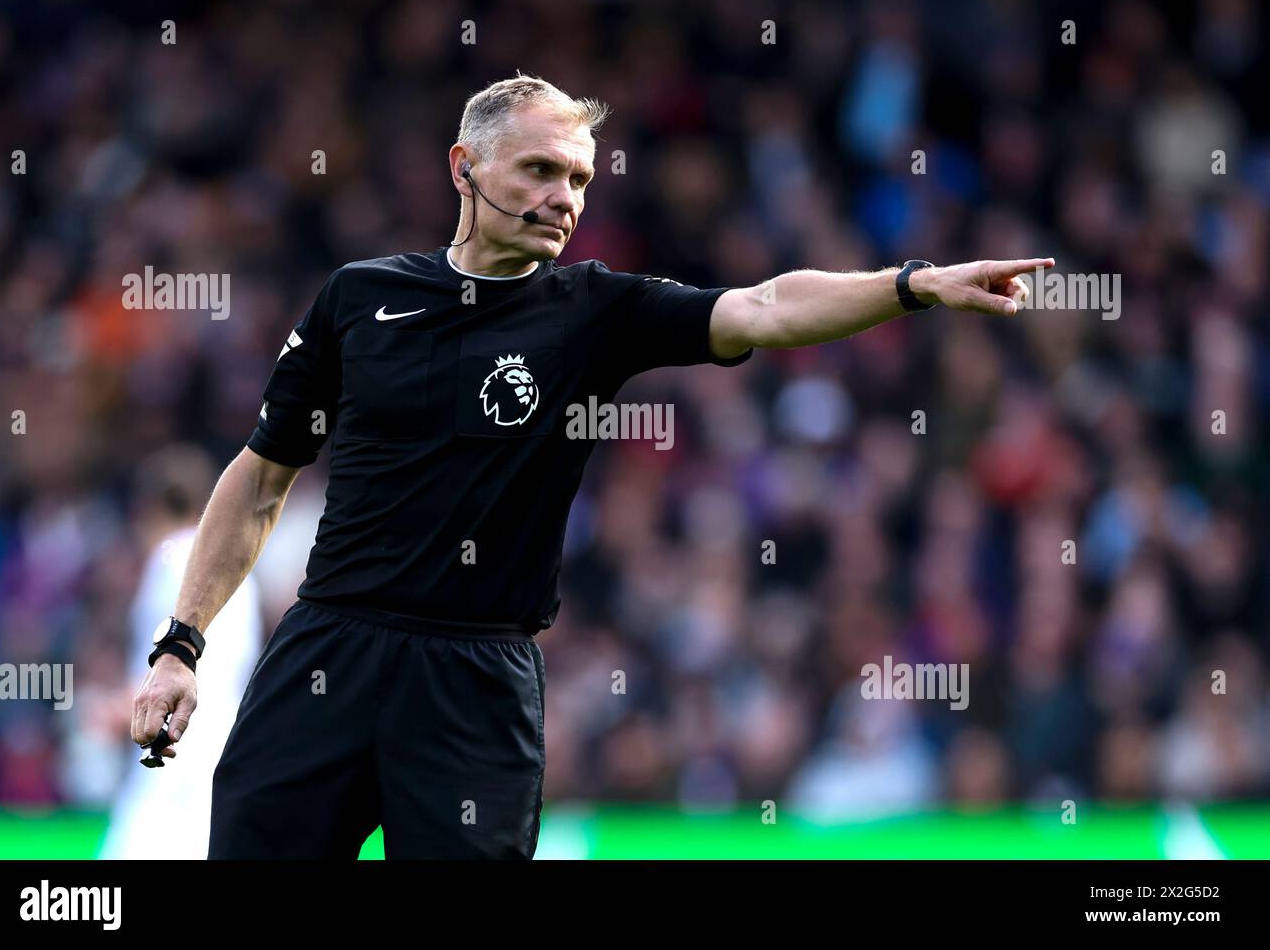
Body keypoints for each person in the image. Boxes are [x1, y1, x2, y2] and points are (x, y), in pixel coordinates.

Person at [128, 72, 1054, 859]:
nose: (564, 198)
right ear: (466, 169)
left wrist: (913, 284)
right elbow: (260, 478)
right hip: (328, 651)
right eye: (539, 170)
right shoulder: (360, 298)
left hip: (474, 684)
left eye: (578, 179)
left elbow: (768, 306)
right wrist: (181, 646)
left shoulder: (594, 309)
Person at [101, 446, 261, 858]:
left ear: (147, 507)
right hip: (226, 746)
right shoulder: (241, 570)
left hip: (174, 754)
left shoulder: (171, 559)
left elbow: (160, 676)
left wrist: (104, 711)